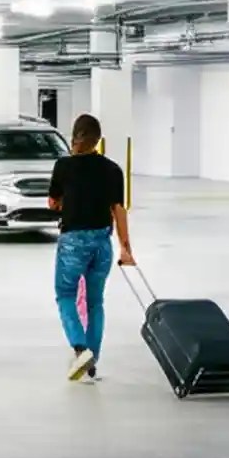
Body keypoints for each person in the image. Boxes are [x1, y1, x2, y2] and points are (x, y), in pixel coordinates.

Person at [48, 114, 134, 382]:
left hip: (73, 242)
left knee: (65, 295)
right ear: (98, 140)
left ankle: (80, 347)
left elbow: (53, 203)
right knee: (95, 302)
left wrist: (66, 202)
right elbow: (118, 210)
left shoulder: (63, 166)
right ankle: (92, 359)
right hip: (102, 244)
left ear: (74, 137)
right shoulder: (112, 169)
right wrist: (126, 248)